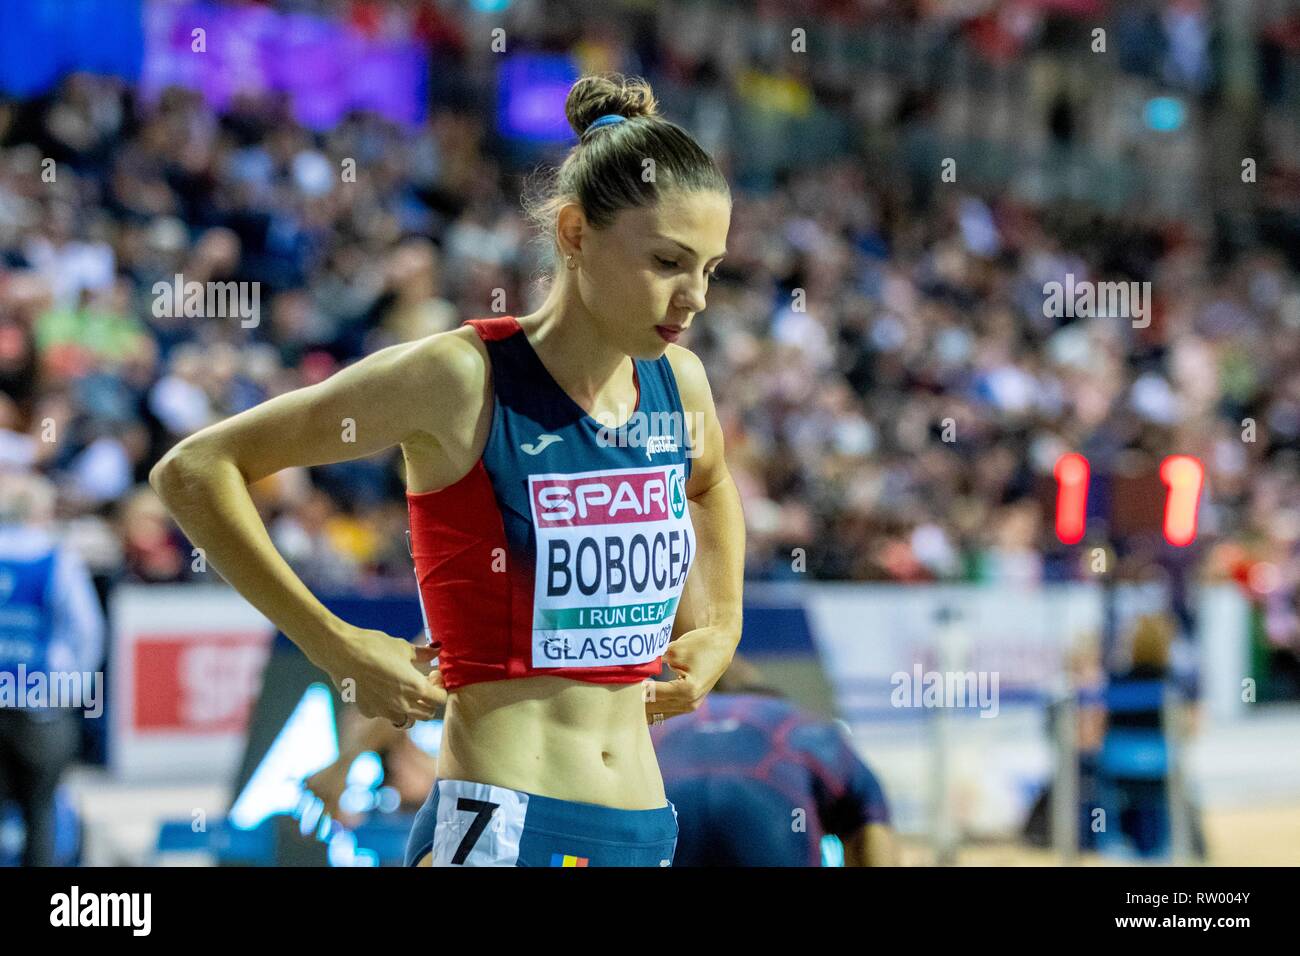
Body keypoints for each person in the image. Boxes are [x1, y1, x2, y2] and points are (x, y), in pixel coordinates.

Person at [150, 72, 745, 867]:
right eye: (669, 261)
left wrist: (723, 626)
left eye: (710, 268)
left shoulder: (681, 383)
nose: (694, 296)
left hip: (643, 827)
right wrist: (334, 644)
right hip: (502, 821)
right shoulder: (460, 377)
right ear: (574, 234)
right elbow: (196, 467)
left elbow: (709, 483)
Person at [652, 654, 897, 866]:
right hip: (772, 816)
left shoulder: (659, 726)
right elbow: (870, 820)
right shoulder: (798, 722)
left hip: (666, 817)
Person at [0, 471, 105, 866]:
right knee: (40, 810)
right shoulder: (55, 558)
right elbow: (87, 630)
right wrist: (71, 691)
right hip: (38, 708)